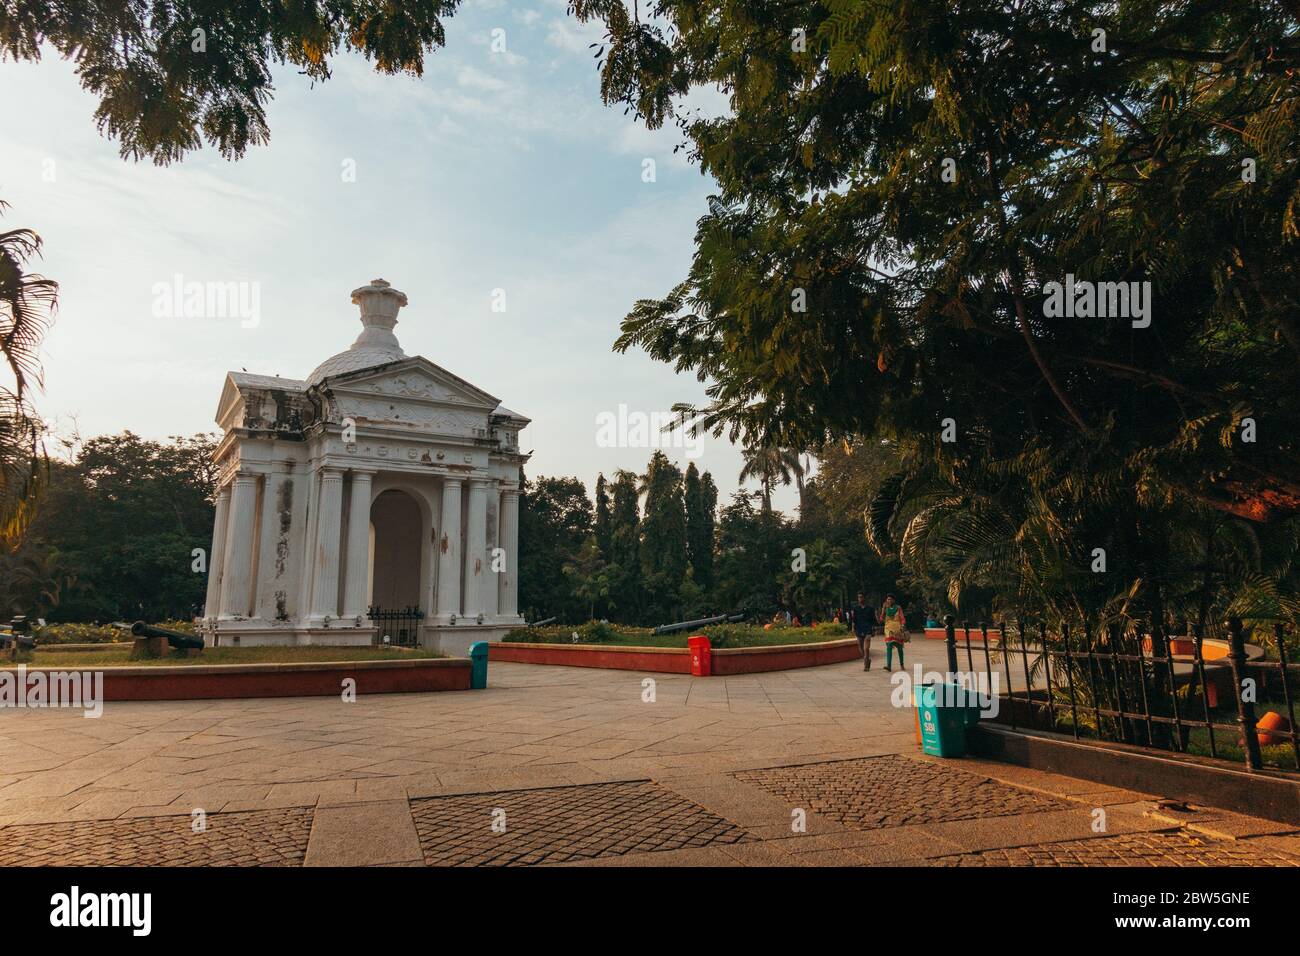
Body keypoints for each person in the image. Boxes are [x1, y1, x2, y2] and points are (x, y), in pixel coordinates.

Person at [849, 592, 876, 670]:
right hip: (859, 629)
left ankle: (866, 664)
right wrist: (853, 628)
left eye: (861, 597)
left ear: (864, 598)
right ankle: (867, 659)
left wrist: (873, 629)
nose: (860, 599)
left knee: (866, 648)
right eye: (858, 597)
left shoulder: (870, 608)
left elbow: (873, 620)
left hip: (868, 629)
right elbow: (854, 619)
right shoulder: (856, 608)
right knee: (861, 648)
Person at [881, 594, 907, 671]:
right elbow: (881, 618)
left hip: (897, 629)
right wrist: (882, 610)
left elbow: (902, 618)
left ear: (893, 600)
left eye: (890, 599)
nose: (889, 601)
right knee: (889, 645)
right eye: (887, 599)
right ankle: (889, 666)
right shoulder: (885, 608)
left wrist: (902, 625)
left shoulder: (898, 608)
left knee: (899, 647)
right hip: (888, 629)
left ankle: (902, 664)